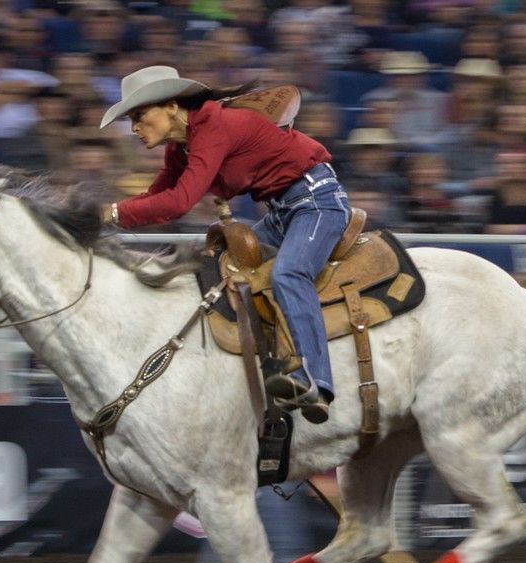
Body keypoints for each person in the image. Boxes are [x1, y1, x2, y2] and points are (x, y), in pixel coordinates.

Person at [99, 65, 351, 424]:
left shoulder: (212, 128)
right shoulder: (181, 147)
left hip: (315, 202)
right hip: (283, 212)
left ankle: (315, 380)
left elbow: (178, 202)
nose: (135, 128)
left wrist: (108, 213)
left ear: (171, 106)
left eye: (139, 116)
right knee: (216, 265)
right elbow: (157, 198)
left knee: (289, 273)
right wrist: (112, 214)